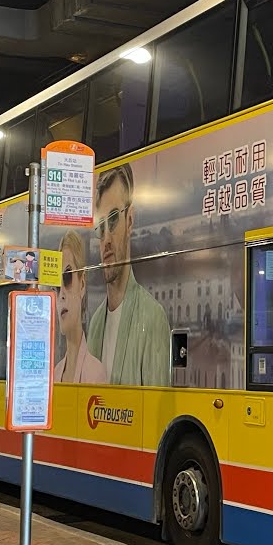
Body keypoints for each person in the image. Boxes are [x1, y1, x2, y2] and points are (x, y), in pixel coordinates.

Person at [86, 163, 172, 387]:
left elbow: (155, 412)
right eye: (100, 227)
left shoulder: (152, 317)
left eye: (113, 220)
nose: (106, 240)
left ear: (130, 220)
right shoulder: (95, 323)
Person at [53, 231, 106, 384]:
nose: (61, 294)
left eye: (68, 277)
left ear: (82, 284)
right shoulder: (56, 373)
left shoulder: (95, 372)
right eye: (57, 286)